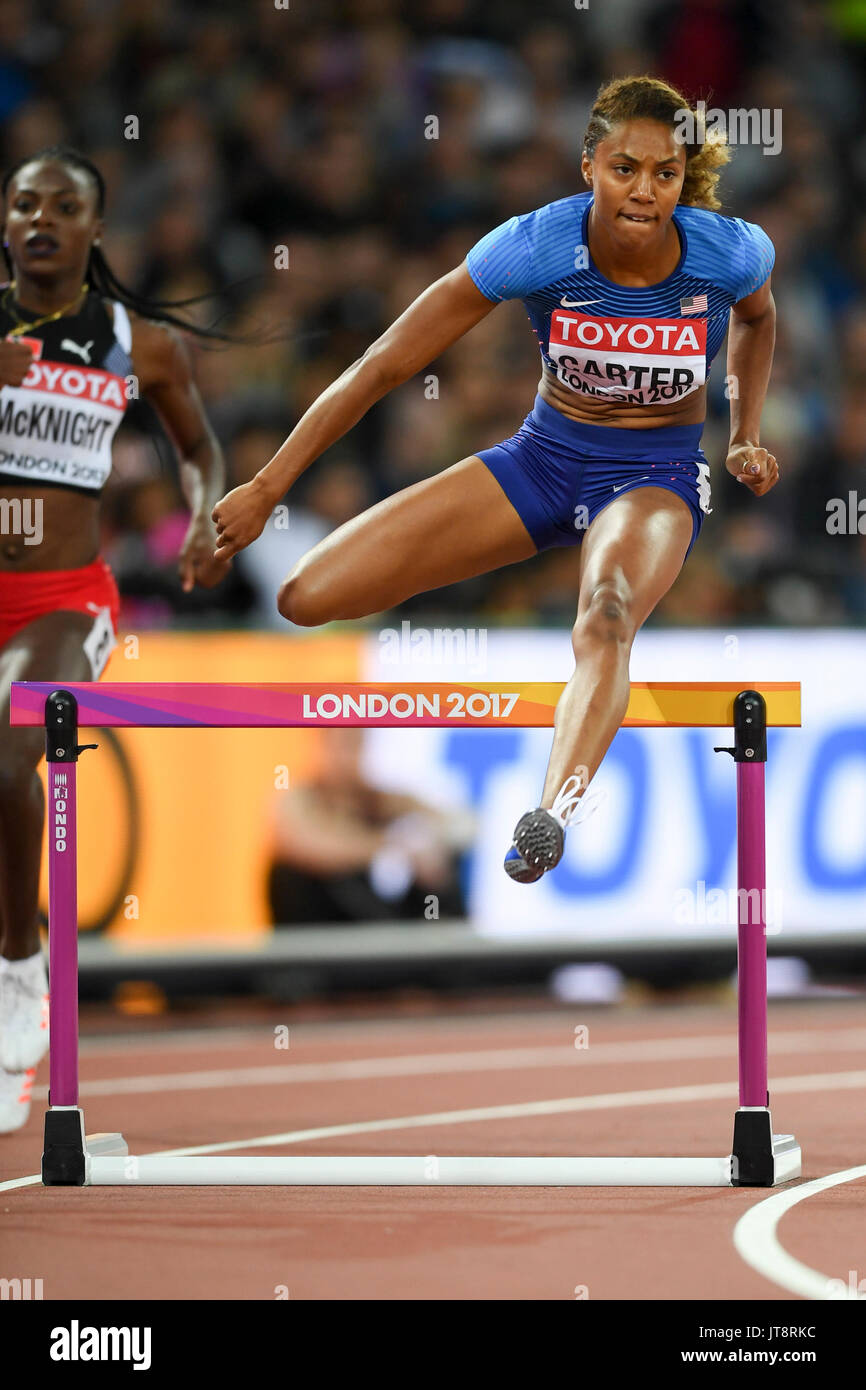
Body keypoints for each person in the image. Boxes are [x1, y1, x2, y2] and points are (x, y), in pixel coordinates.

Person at [211, 75, 779, 883]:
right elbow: (384, 365)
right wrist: (269, 486)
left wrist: (744, 431)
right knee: (306, 596)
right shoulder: (537, 246)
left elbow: (758, 319)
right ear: (589, 165)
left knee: (609, 612)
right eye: (625, 169)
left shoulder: (730, 250)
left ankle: (553, 813)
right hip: (541, 461)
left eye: (665, 174)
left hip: (653, 475)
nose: (645, 193)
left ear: (685, 180)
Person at [0, 147, 232, 1131]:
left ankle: (20, 978)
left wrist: (208, 513)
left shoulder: (140, 342)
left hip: (65, 599)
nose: (40, 217)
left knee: (13, 763)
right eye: (22, 203)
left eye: (63, 205)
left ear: (96, 230)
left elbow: (199, 448)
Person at [267, 728, 474, 926]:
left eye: (354, 743)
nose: (346, 755)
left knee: (434, 876)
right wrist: (388, 845)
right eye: (340, 744)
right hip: (309, 927)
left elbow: (463, 826)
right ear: (321, 744)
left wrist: (426, 844)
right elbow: (310, 844)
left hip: (371, 927)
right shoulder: (298, 799)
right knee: (336, 877)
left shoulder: (379, 800)